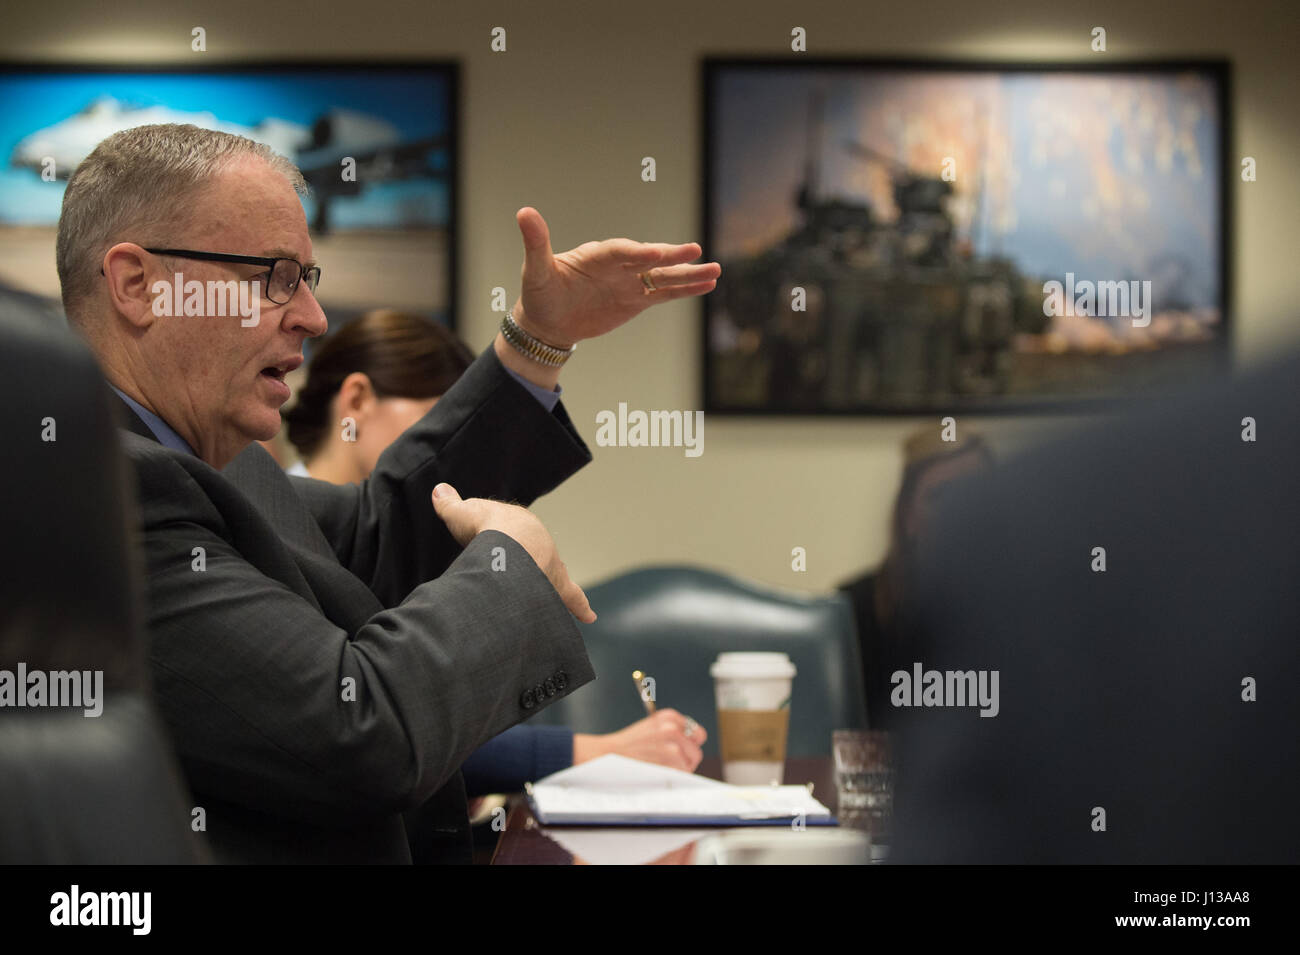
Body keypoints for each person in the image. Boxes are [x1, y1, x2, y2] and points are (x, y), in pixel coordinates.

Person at [56, 122, 720, 863]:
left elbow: (376, 539)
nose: (311, 317)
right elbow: (356, 732)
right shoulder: (96, 496)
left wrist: (537, 338)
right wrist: (509, 560)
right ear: (140, 285)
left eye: (305, 280)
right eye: (273, 276)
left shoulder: (211, 458)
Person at [890, 352, 1300, 863]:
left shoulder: (1054, 568)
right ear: (905, 512)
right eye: (938, 496)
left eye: (962, 492)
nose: (950, 511)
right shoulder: (886, 604)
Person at [280, 308, 708, 795]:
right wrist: (594, 752)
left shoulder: (399, 542)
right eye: (435, 423)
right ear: (357, 399)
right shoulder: (274, 539)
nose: (446, 452)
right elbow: (376, 721)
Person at [838, 427, 990, 728]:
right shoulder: (852, 613)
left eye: (975, 495)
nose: (960, 513)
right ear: (907, 516)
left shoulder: (1031, 610)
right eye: (940, 496)